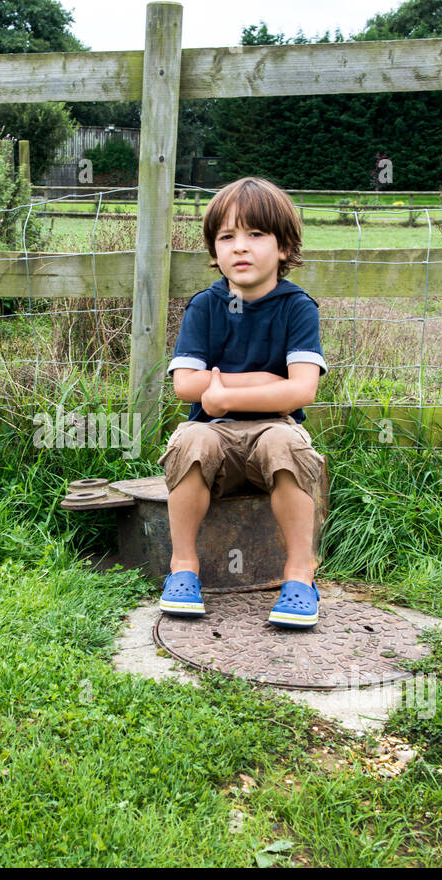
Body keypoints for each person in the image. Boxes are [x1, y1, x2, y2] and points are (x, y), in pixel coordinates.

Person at [158, 176, 327, 627]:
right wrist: (258, 382)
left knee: (285, 445)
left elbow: (301, 390)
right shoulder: (204, 306)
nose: (240, 247)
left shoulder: (297, 307)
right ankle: (183, 569)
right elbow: (185, 385)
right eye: (227, 236)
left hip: (275, 428)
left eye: (255, 234)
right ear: (214, 251)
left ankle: (299, 576)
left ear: (285, 247)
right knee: (189, 441)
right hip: (213, 431)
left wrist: (226, 392)